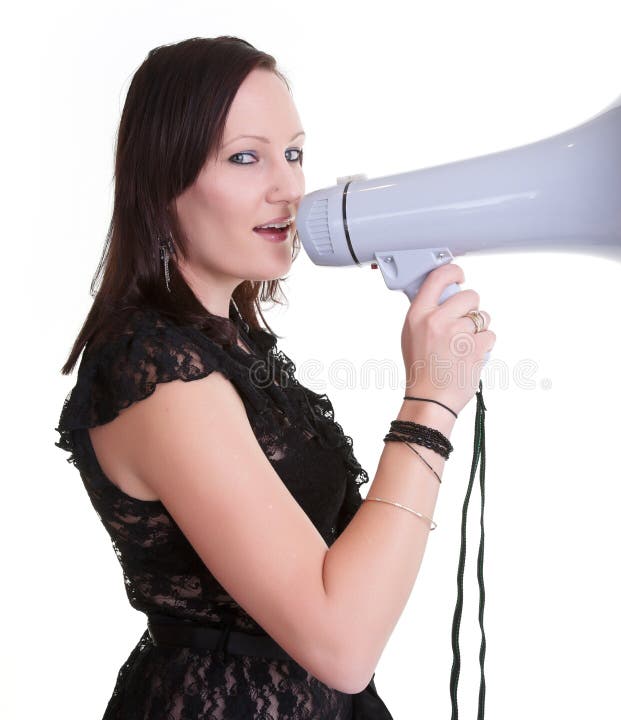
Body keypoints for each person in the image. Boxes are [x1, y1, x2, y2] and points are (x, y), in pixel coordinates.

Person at [55, 35, 495, 720]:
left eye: (293, 153)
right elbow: (343, 644)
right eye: (245, 156)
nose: (289, 186)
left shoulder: (231, 349)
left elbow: (349, 579)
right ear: (163, 180)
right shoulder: (160, 378)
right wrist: (431, 401)